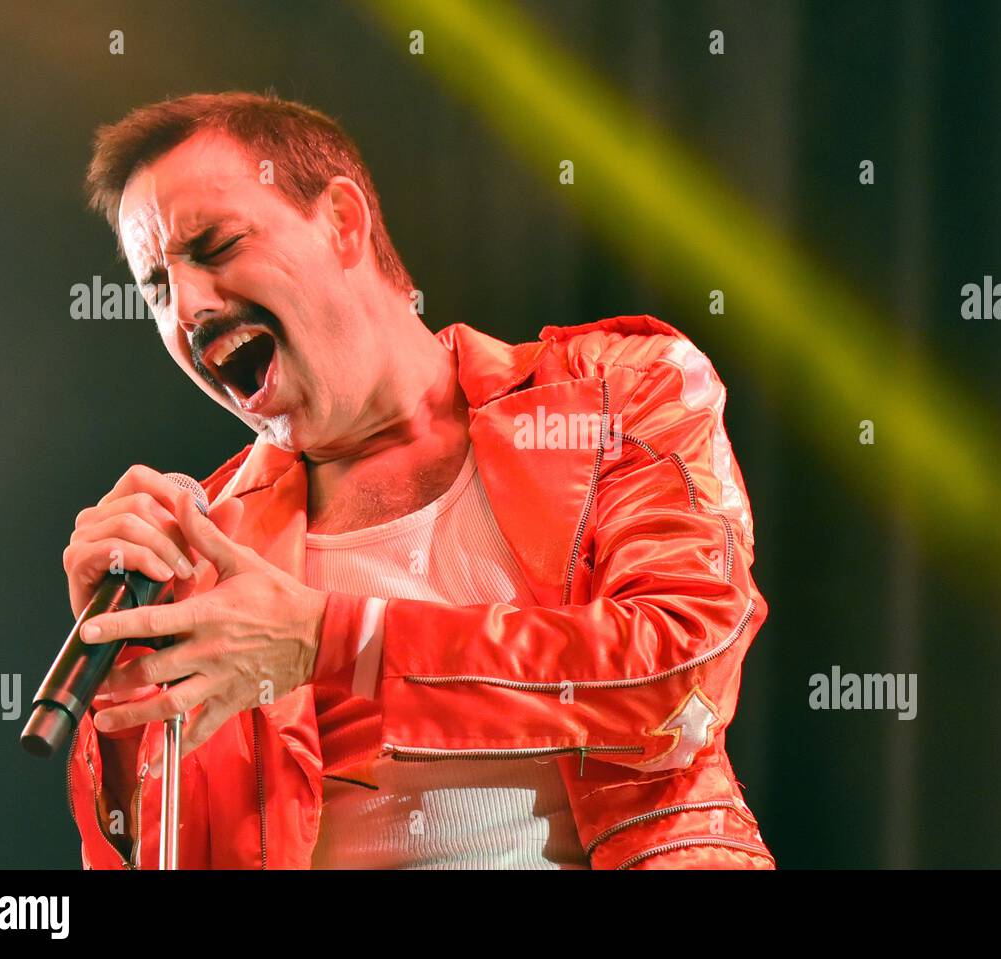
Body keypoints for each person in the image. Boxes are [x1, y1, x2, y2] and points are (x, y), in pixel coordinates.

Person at [63, 91, 774, 870]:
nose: (188, 308)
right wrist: (128, 681)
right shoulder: (207, 545)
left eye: (216, 246)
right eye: (157, 289)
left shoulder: (617, 393)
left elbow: (683, 677)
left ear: (343, 222)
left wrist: (333, 641)